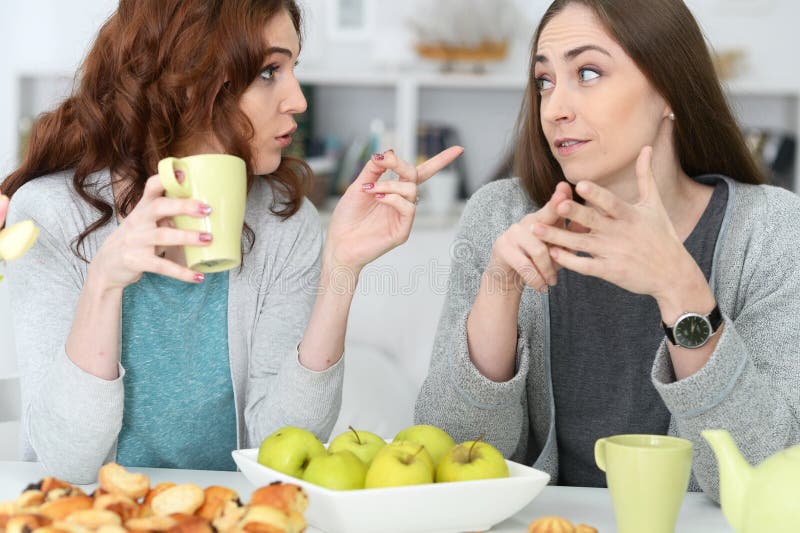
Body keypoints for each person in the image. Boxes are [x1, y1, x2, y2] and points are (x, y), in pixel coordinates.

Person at [1, 0, 461, 483]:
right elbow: (68, 465)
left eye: (291, 69)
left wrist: (340, 270)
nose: (298, 100)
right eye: (268, 72)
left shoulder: (286, 223)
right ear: (189, 80)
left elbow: (282, 449)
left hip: (231, 513)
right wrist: (103, 286)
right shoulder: (50, 215)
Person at [415, 0, 800, 502]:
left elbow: (767, 480)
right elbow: (449, 459)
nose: (554, 109)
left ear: (669, 88)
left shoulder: (770, 228)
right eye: (544, 81)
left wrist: (680, 290)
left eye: (589, 72)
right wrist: (499, 295)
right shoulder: (499, 216)